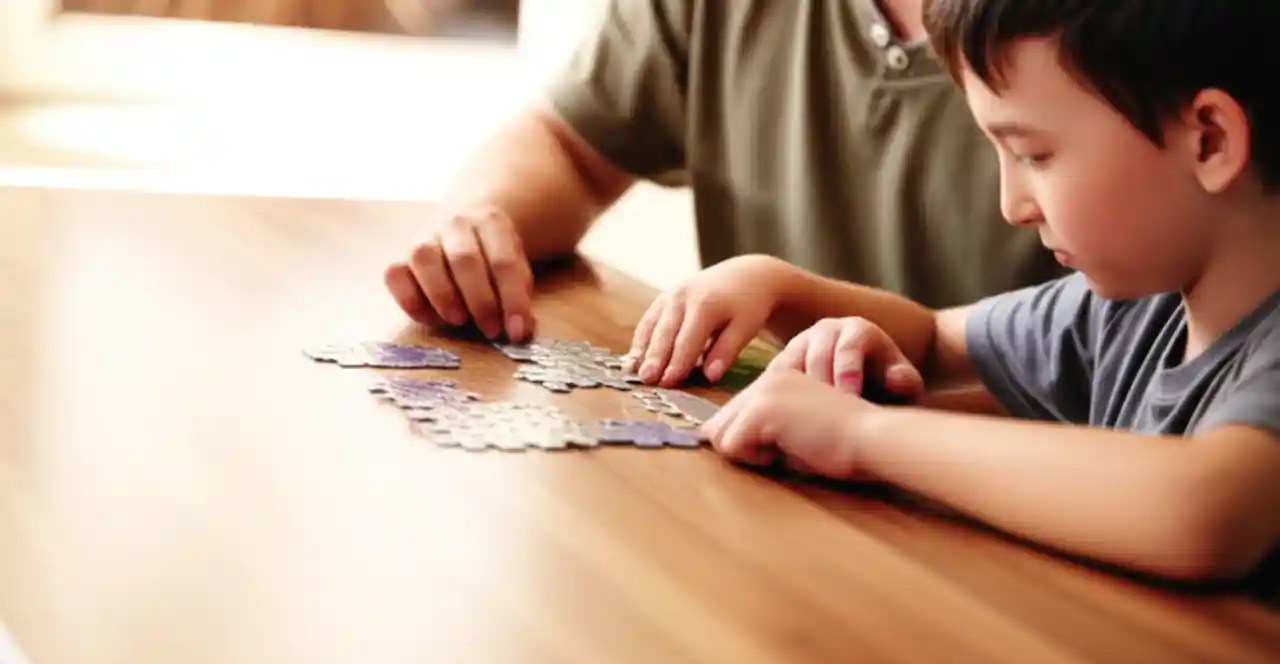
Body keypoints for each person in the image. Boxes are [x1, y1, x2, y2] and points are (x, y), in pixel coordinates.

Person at [689, 0, 1280, 582]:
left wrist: (859, 436)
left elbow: (1203, 508)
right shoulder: (1131, 311)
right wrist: (781, 289)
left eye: (1033, 155)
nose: (1012, 205)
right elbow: (932, 340)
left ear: (1210, 142)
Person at [384, 0, 1063, 383]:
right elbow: (568, 144)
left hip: (1027, 490)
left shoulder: (1114, 30)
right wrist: (478, 225)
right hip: (777, 457)